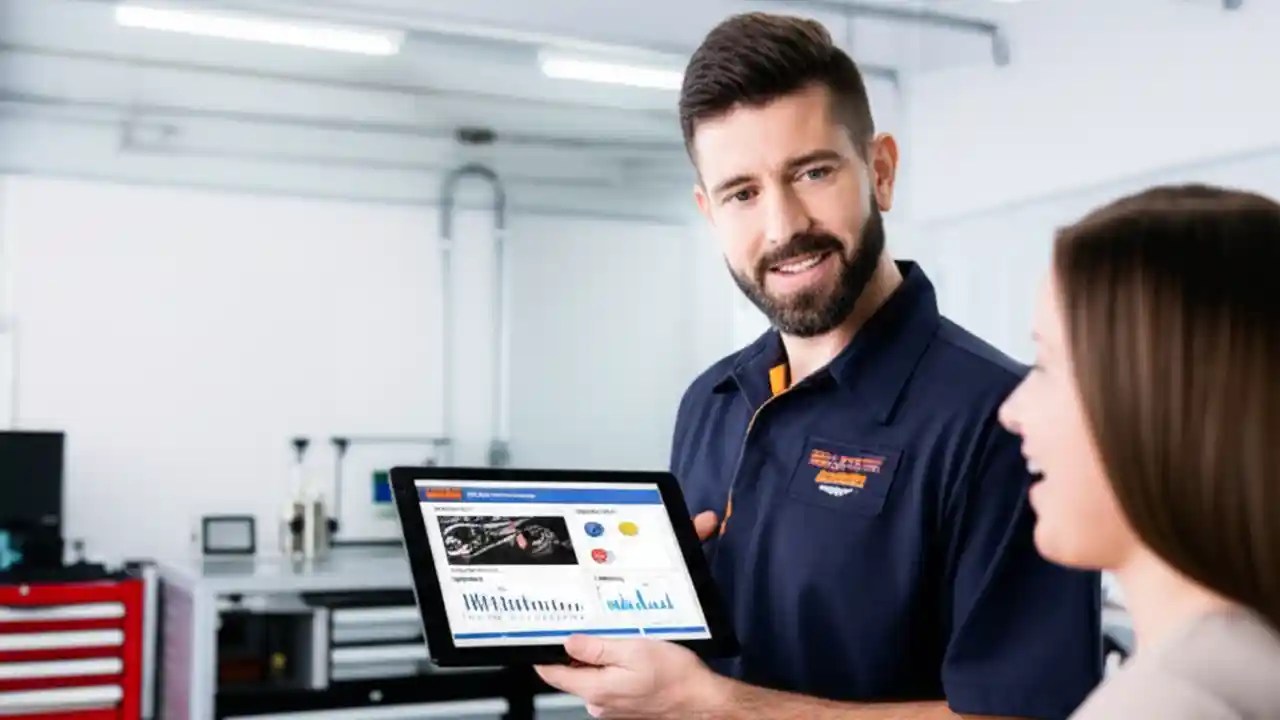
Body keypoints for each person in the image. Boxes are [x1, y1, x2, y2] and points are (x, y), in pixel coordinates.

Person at [535, 12, 1101, 719]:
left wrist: (716, 705)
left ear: (881, 171)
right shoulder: (710, 401)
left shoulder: (1005, 422)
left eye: (811, 172)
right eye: (743, 193)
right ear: (709, 212)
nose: (782, 226)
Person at [997, 184, 1280, 718]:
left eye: (1046, 365)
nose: (1012, 409)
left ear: (1157, 402)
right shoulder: (1248, 665)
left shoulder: (1173, 702)